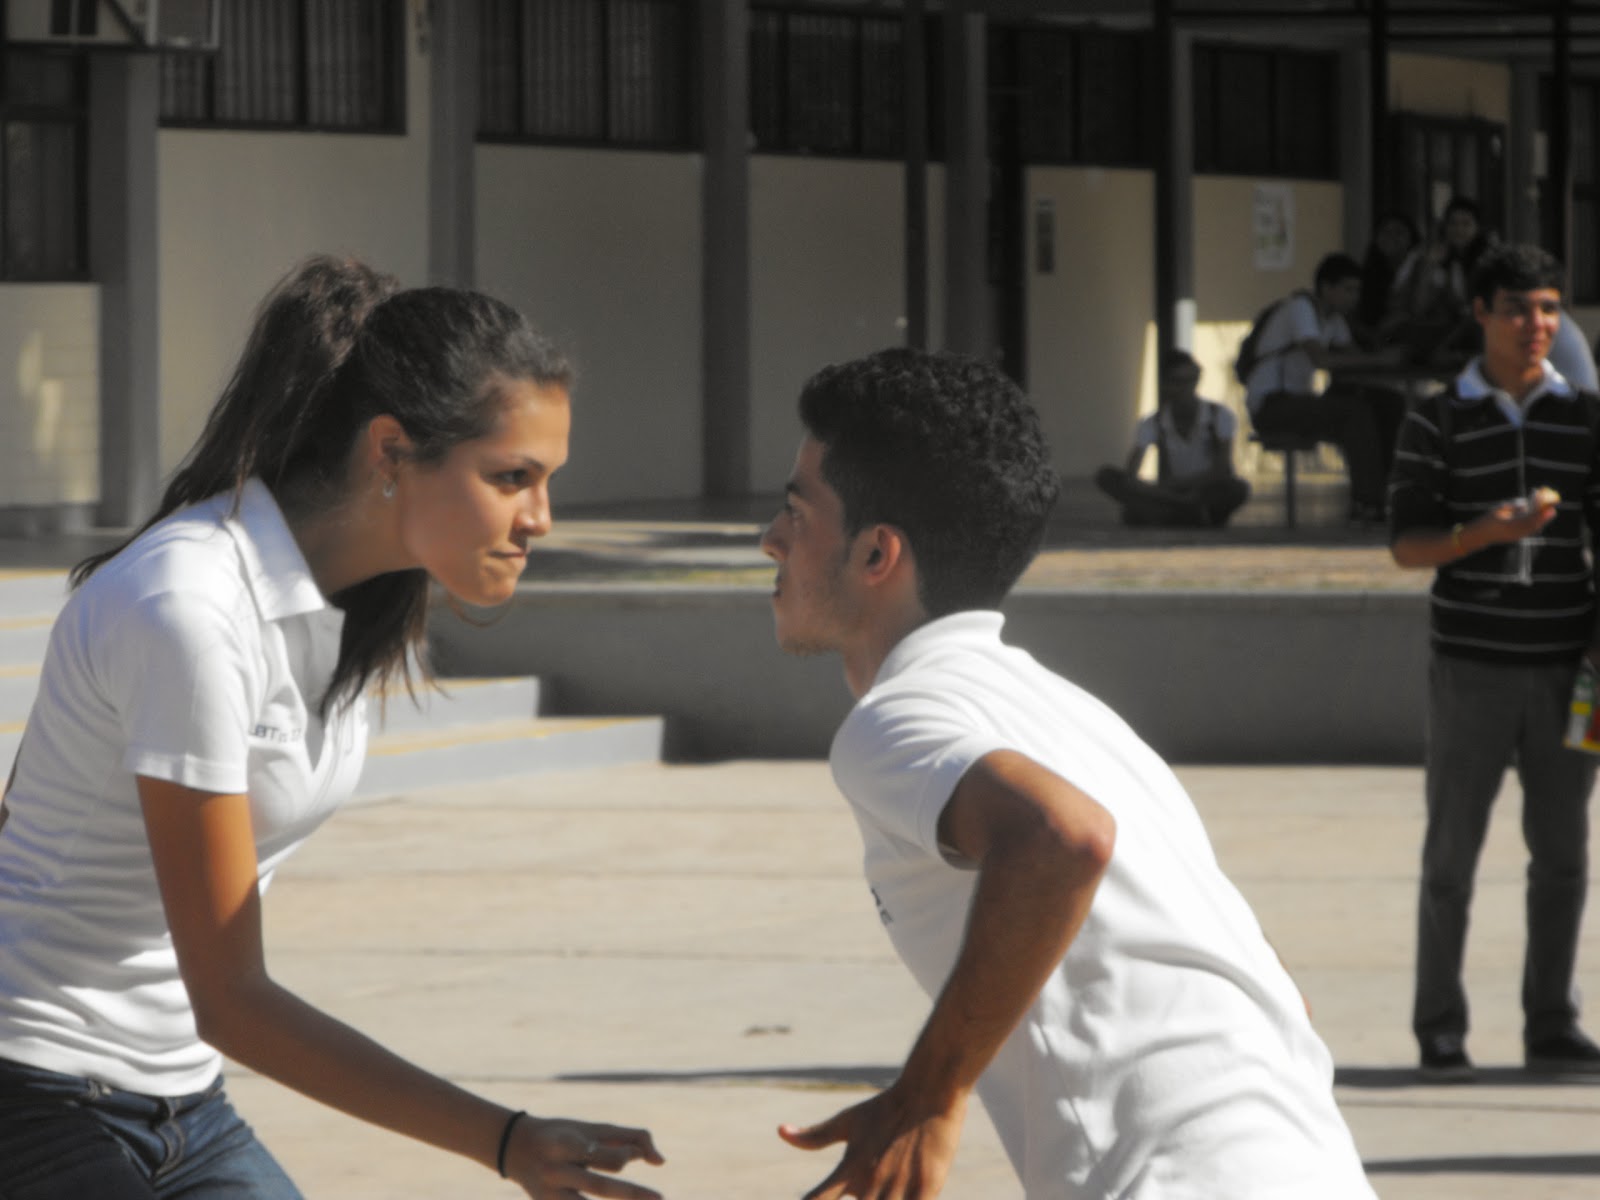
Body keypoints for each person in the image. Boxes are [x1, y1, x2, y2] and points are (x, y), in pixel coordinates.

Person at [0, 256, 665, 1198]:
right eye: (512, 476)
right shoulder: (188, 604)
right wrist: (505, 1140)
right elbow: (234, 999)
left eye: (546, 479)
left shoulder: (350, 611)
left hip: (185, 1097)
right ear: (390, 452)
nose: (541, 519)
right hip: (32, 1093)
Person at [760, 347, 1376, 1199]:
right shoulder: (1088, 725)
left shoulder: (896, 719)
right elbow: (1276, 995)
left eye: (796, 513)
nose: (771, 539)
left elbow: (1060, 838)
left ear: (876, 556)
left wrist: (927, 1098)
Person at [1388, 242, 1600, 1084]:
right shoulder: (1436, 420)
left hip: (1565, 671)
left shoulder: (1583, 417)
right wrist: (1484, 534)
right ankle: (1440, 1024)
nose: (1535, 325)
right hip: (1471, 669)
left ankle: (1552, 1022)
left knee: (1565, 858)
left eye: (1548, 308)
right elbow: (1407, 545)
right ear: (1480, 313)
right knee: (1451, 858)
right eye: (1517, 308)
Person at [1244, 252, 1408, 522]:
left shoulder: (1334, 320)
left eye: (1357, 291)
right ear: (1325, 288)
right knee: (1354, 412)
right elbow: (1320, 359)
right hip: (1272, 405)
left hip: (1302, 401)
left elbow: (1351, 358)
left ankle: (1389, 491)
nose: (1353, 297)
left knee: (1387, 404)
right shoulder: (1300, 309)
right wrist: (1378, 359)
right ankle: (1367, 501)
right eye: (1348, 290)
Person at [1093, 348, 1251, 527]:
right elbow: (1131, 471)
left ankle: (1170, 513)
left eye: (1190, 381)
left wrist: (1181, 486)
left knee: (1237, 488)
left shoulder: (1219, 416)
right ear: (1166, 384)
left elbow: (1221, 468)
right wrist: (1165, 491)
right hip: (1169, 491)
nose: (1185, 389)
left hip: (1204, 488)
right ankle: (1187, 512)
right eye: (1178, 382)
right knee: (1107, 476)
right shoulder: (1153, 422)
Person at [1393, 194, 1496, 360]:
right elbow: (1418, 306)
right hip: (1438, 329)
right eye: (1453, 223)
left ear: (1477, 228)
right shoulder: (1428, 256)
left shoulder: (1488, 260)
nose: (1459, 230)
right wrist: (1429, 266)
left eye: (1466, 224)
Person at [1355, 210, 1422, 343]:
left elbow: (1418, 309)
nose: (1391, 237)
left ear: (1411, 238)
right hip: (1372, 343)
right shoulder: (1370, 268)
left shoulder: (1422, 268)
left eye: (1399, 232)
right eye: (1385, 232)